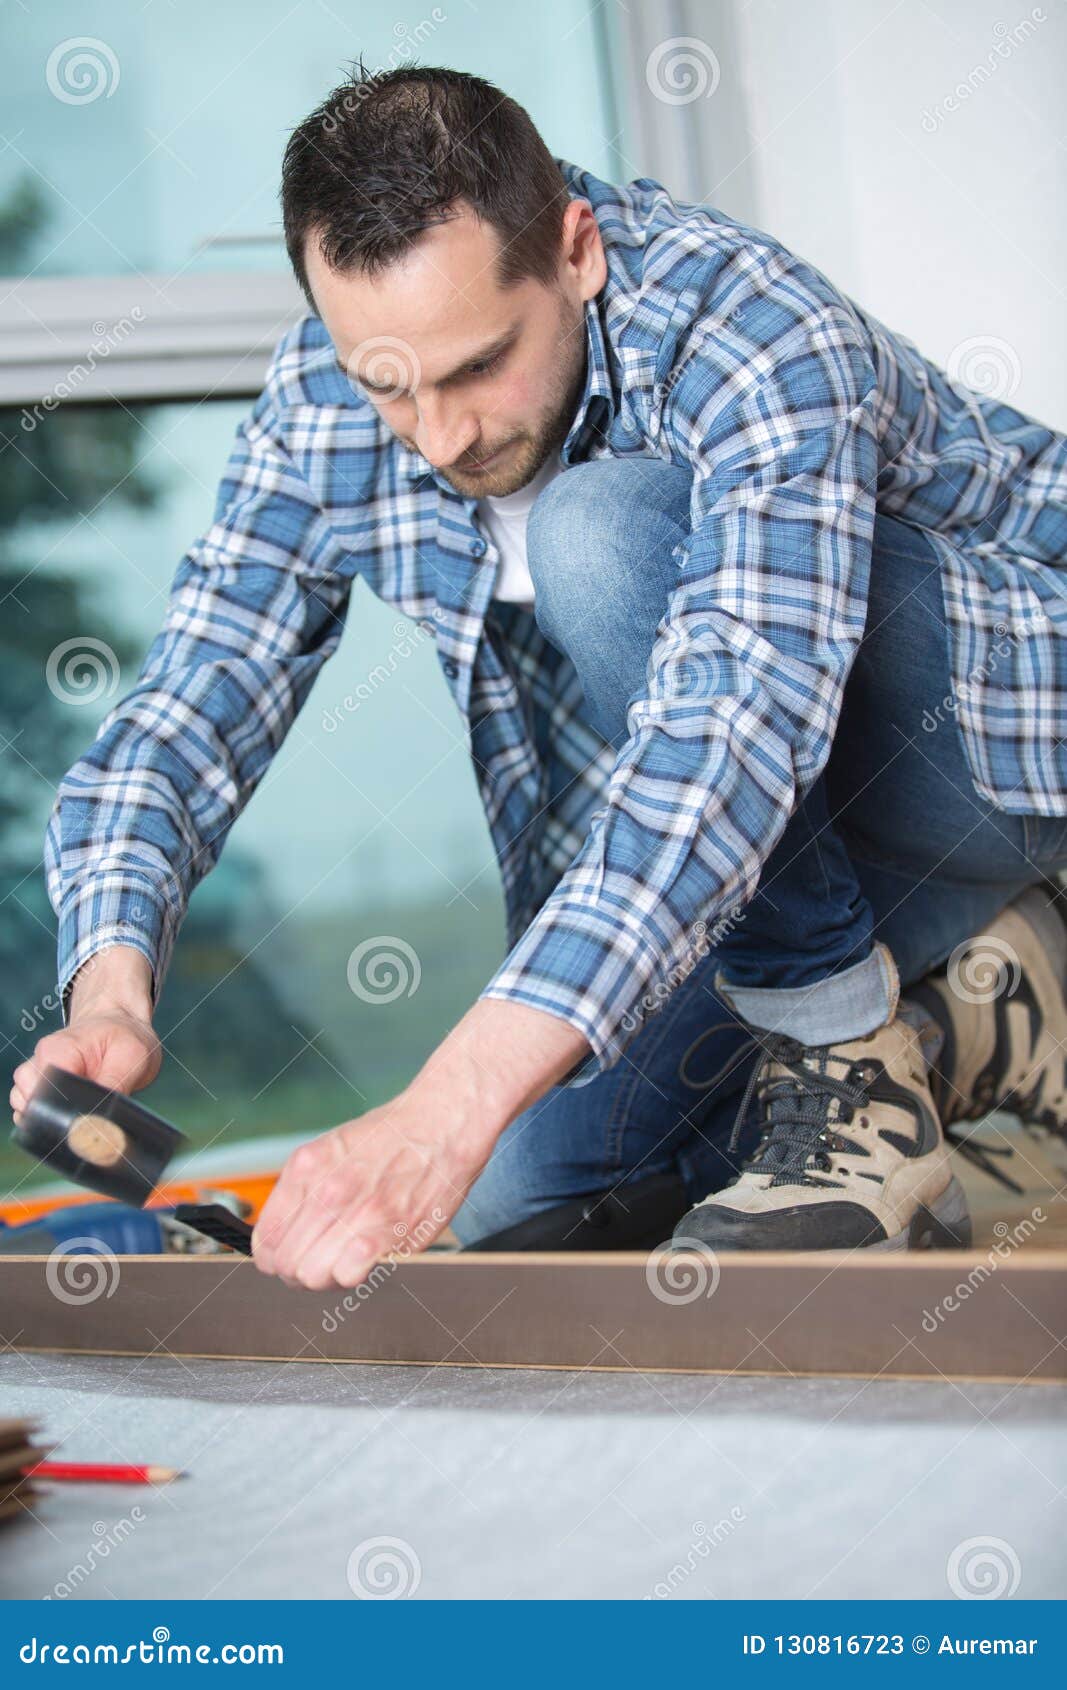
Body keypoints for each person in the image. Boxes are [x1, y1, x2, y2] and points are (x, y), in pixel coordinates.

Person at [13, 65, 1067, 1289]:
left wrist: (440, 1109)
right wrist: (110, 986)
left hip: (992, 751)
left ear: (575, 251)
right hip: (786, 857)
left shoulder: (746, 325)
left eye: (477, 367)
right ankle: (979, 1004)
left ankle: (852, 1065)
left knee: (598, 531)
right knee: (523, 1187)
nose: (442, 436)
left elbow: (735, 727)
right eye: (391, 386)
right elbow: (190, 701)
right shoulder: (332, 402)